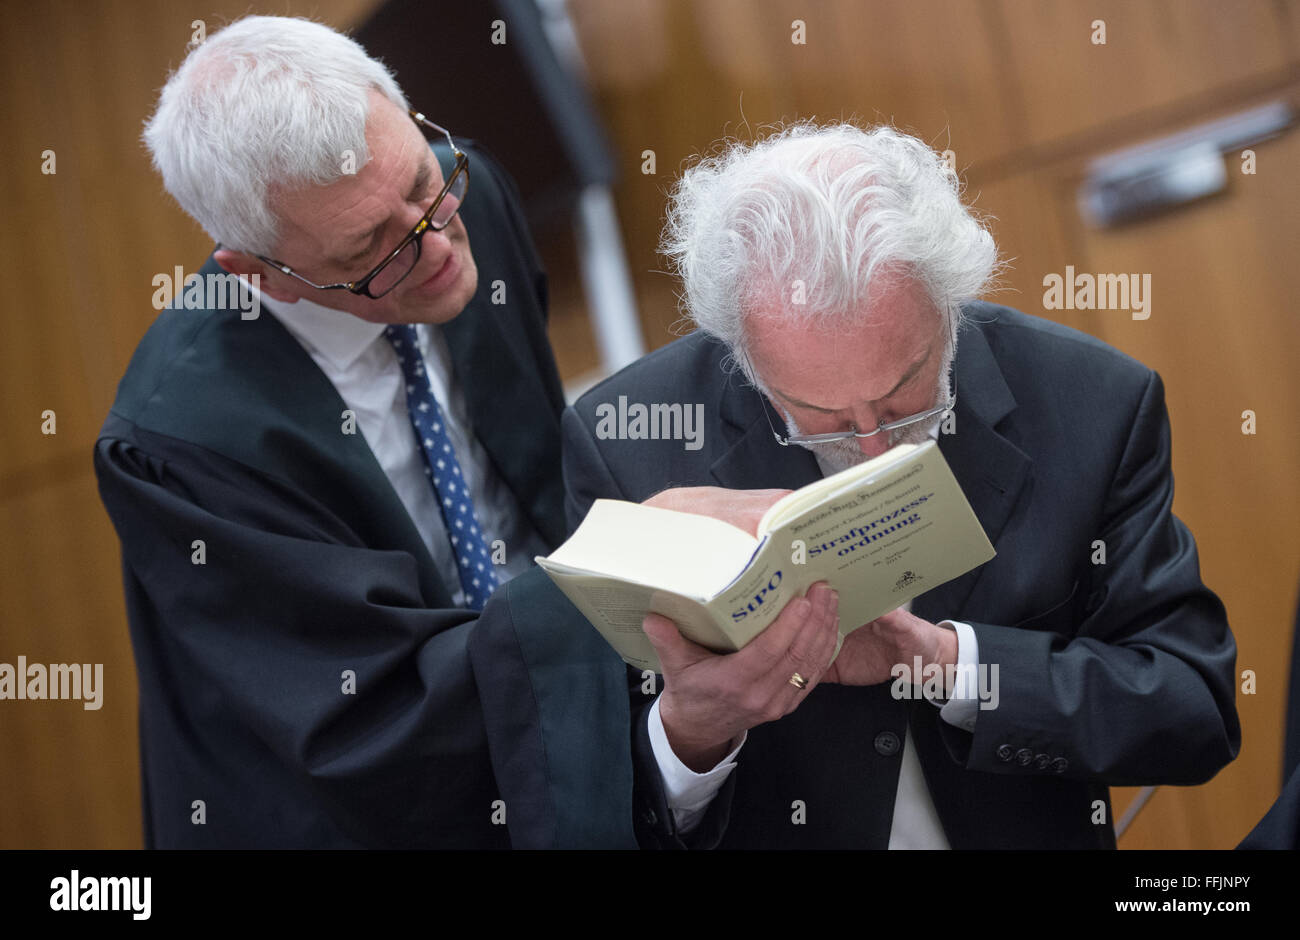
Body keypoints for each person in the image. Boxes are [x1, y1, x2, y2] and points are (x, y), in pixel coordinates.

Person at [561, 122, 1242, 848]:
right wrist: (692, 732)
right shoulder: (625, 444)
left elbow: (1189, 706)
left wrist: (949, 664)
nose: (873, 447)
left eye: (905, 396)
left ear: (950, 305)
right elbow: (574, 792)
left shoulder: (1092, 401)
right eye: (821, 418)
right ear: (742, 356)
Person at [94, 15, 633, 849]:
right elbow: (367, 716)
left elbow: (533, 478)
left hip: (538, 722)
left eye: (423, 182)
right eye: (370, 251)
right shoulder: (178, 441)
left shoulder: (469, 195)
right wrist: (622, 589)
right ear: (258, 269)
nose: (435, 246)